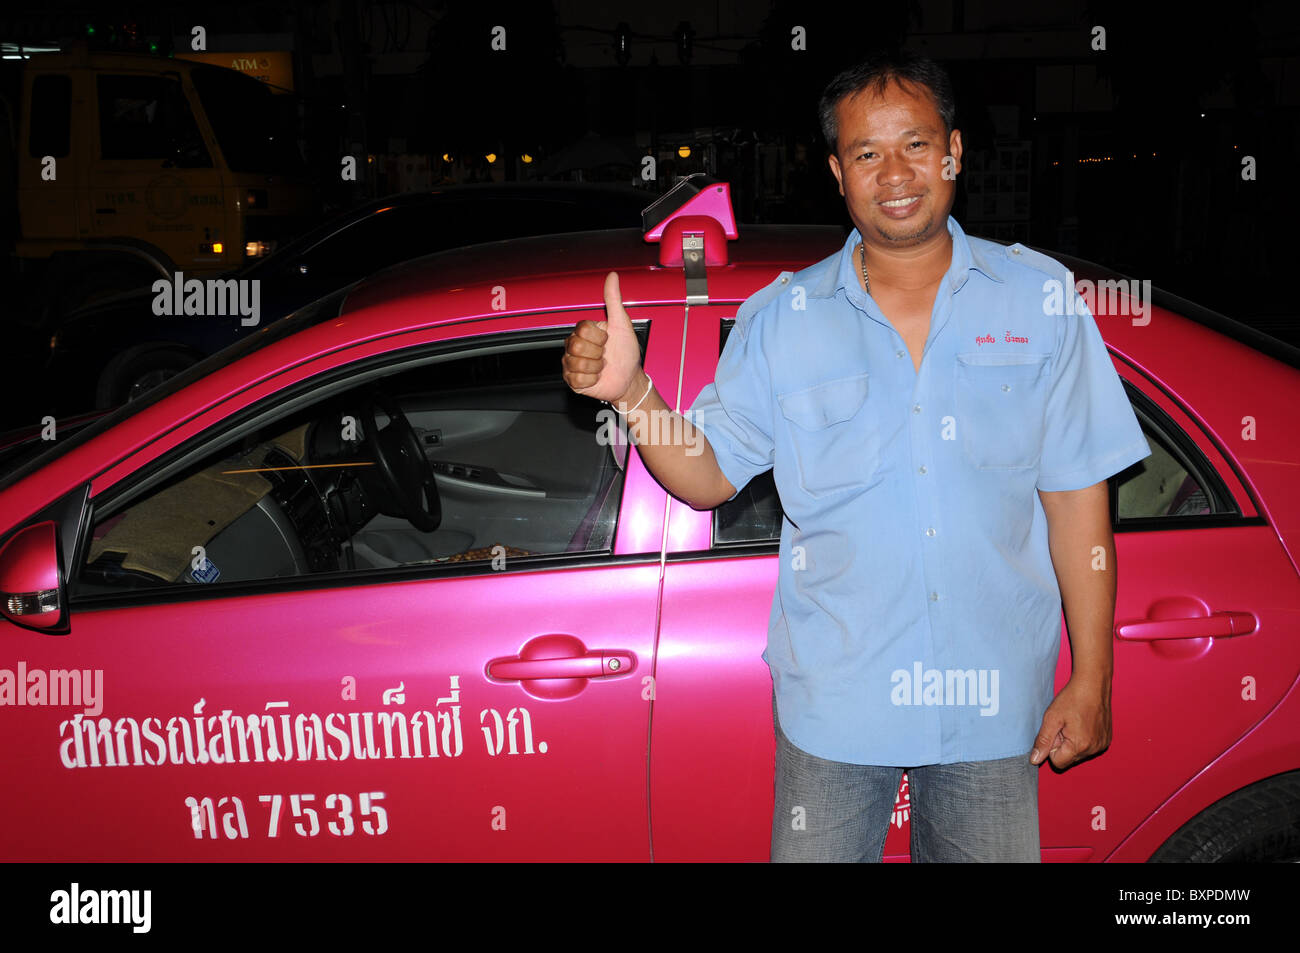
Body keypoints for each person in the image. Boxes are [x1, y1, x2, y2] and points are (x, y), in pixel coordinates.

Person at [561, 49, 1151, 862]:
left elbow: (1078, 497)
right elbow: (707, 474)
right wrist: (633, 396)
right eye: (867, 154)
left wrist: (1093, 679)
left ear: (954, 151)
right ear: (838, 172)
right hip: (835, 711)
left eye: (914, 144)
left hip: (994, 703)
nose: (895, 172)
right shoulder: (783, 319)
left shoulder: (1039, 299)